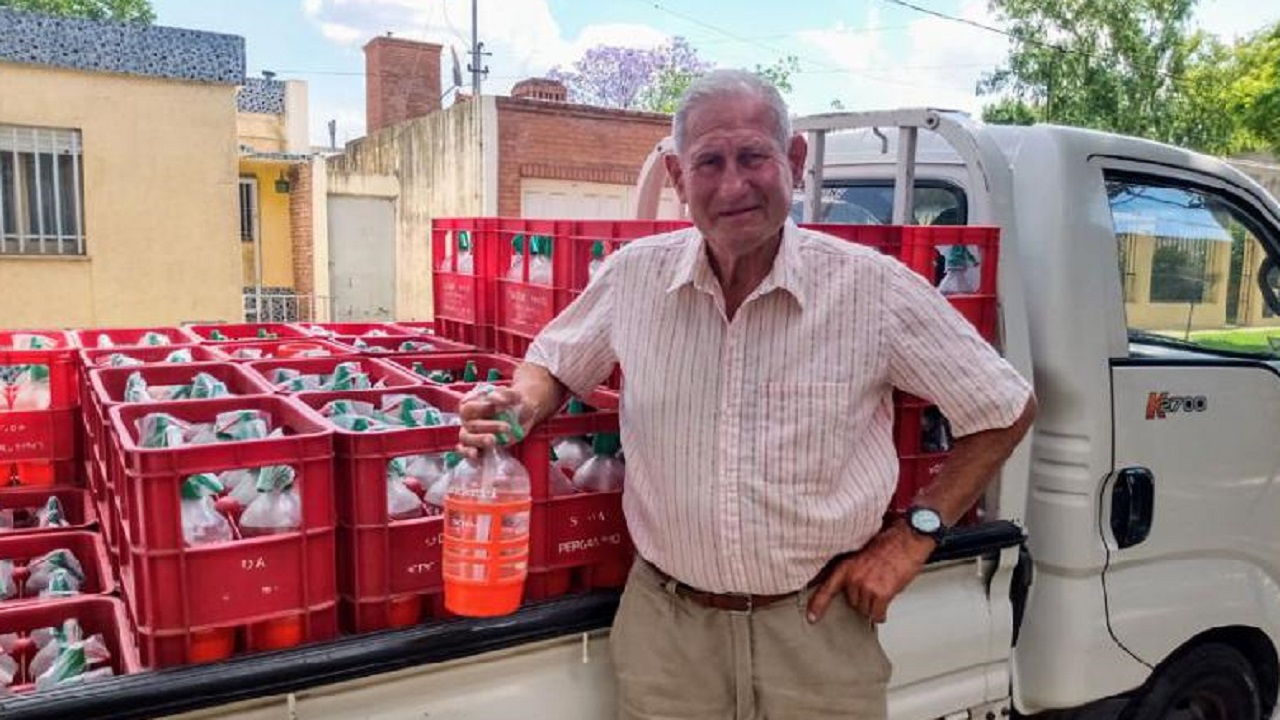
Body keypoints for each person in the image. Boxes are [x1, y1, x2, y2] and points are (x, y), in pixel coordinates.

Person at [457, 69, 1036, 720]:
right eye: (709, 162)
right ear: (679, 178)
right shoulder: (633, 278)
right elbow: (554, 362)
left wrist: (914, 537)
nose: (733, 185)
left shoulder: (871, 289)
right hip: (669, 636)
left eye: (753, 157)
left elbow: (1003, 409)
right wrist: (521, 402)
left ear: (794, 161)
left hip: (816, 630)